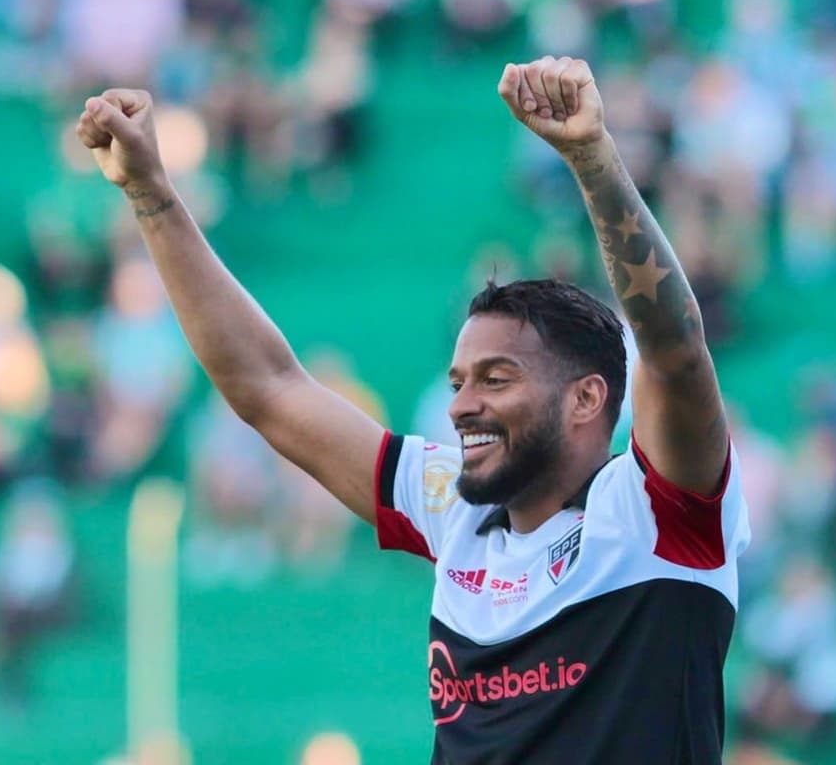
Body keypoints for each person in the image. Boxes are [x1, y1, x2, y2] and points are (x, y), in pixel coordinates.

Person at [76, 55, 750, 764]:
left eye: (496, 379)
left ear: (587, 397)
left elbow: (673, 348)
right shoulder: (454, 510)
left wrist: (591, 158)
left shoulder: (659, 515)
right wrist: (152, 195)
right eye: (458, 381)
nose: (462, 406)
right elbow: (267, 388)